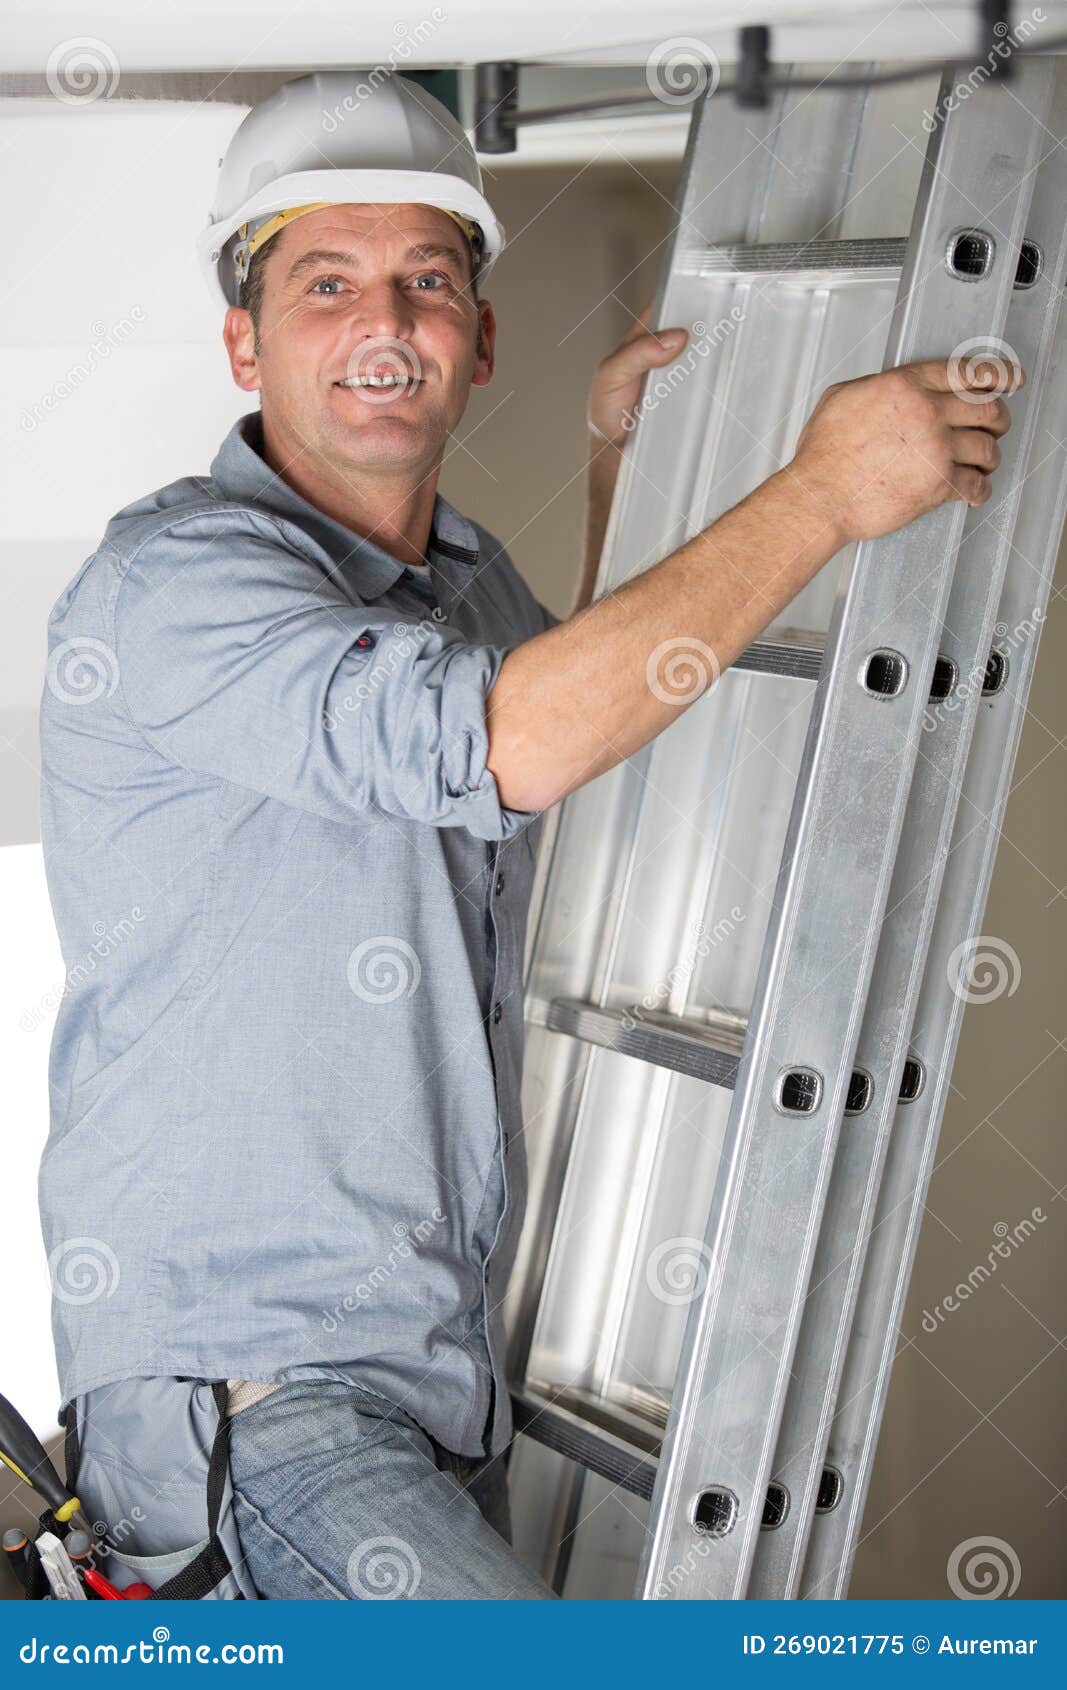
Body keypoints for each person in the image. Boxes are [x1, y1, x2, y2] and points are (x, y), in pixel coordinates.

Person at [36, 71, 1018, 1601]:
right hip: (260, 1412)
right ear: (244, 342)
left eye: (428, 281)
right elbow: (504, 740)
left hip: (438, 1394)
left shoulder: (466, 591)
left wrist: (630, 480)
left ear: (479, 339)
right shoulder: (176, 586)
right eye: (325, 283)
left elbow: (566, 746)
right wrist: (821, 497)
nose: (386, 322)